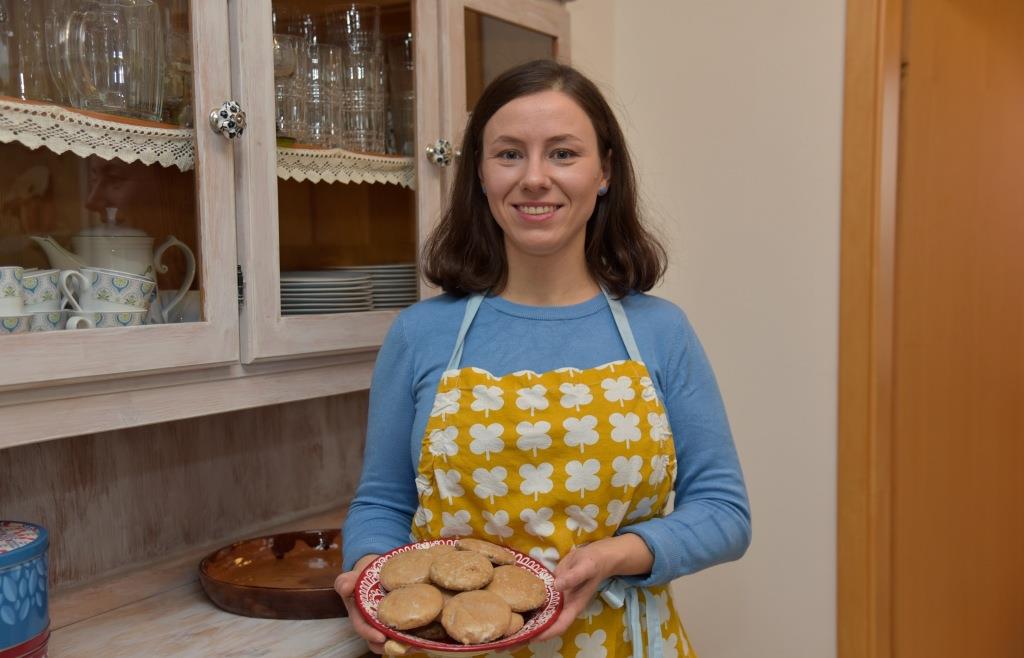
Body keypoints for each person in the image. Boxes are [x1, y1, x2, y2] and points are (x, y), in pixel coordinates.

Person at [334, 59, 751, 657]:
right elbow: (383, 501)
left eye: (562, 153)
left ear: (604, 171)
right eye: (508, 154)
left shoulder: (661, 332)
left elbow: (725, 511)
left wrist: (620, 555)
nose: (534, 178)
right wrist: (375, 581)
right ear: (479, 174)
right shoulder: (421, 334)